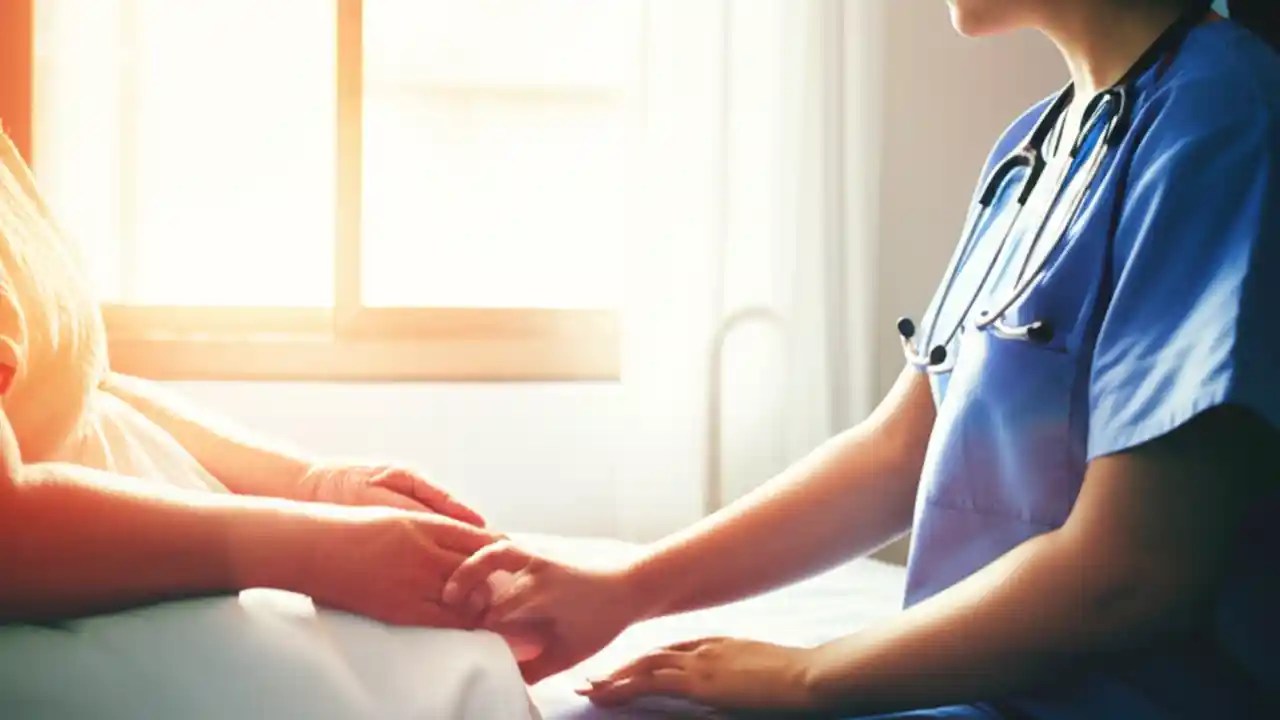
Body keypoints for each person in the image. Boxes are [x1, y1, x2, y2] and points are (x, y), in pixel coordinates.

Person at [442, 1, 1280, 717]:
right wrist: (626, 587)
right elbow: (898, 450)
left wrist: (807, 675)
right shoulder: (1034, 147)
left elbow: (1132, 567)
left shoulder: (1225, 119)